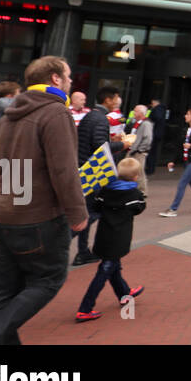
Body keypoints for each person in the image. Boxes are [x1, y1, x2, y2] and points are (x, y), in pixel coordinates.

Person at [0, 56, 87, 345]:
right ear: (55, 79)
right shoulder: (56, 112)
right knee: (48, 281)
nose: (71, 81)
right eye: (68, 76)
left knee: (3, 290)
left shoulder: (11, 113)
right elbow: (63, 170)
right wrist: (77, 212)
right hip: (36, 216)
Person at [75, 157, 145, 322]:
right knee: (106, 269)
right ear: (135, 177)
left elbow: (97, 206)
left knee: (113, 267)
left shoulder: (105, 190)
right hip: (119, 237)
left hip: (104, 234)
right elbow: (139, 208)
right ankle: (85, 308)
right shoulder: (135, 194)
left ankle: (125, 294)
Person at [73, 87, 119, 266]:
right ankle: (62, 241)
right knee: (92, 213)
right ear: (108, 100)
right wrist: (122, 144)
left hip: (83, 167)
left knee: (87, 211)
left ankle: (83, 252)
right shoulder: (100, 118)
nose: (117, 101)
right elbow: (101, 147)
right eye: (115, 98)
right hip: (92, 171)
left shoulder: (90, 116)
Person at [126, 104, 153, 194]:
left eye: (136, 111)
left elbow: (148, 138)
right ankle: (130, 187)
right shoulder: (136, 122)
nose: (134, 112)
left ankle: (142, 190)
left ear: (141, 113)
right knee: (129, 169)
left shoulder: (146, 123)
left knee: (139, 171)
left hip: (138, 151)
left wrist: (140, 149)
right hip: (132, 149)